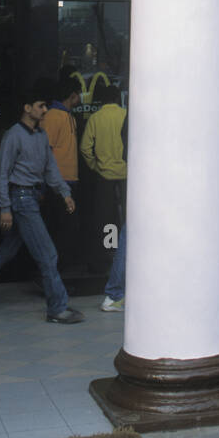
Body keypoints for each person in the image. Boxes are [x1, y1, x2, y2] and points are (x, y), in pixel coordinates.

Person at [0, 89, 83, 323]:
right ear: (27, 108)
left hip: (31, 198)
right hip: (21, 200)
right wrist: (5, 208)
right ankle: (57, 308)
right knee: (48, 254)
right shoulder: (13, 136)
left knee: (5, 252)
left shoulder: (41, 135)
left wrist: (64, 193)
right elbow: (2, 174)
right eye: (40, 105)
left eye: (45, 106)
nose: (45, 110)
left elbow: (50, 168)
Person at [79, 83, 127, 295]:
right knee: (127, 221)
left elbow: (84, 148)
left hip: (105, 176)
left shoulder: (96, 118)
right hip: (126, 175)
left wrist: (95, 166)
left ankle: (103, 260)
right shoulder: (126, 115)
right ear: (118, 98)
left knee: (104, 220)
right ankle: (125, 259)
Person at [41, 72, 82, 272]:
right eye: (79, 94)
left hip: (68, 180)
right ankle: (56, 269)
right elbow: (44, 150)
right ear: (72, 95)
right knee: (59, 228)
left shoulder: (67, 116)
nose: (81, 98)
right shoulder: (53, 116)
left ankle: (61, 268)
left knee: (65, 228)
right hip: (58, 182)